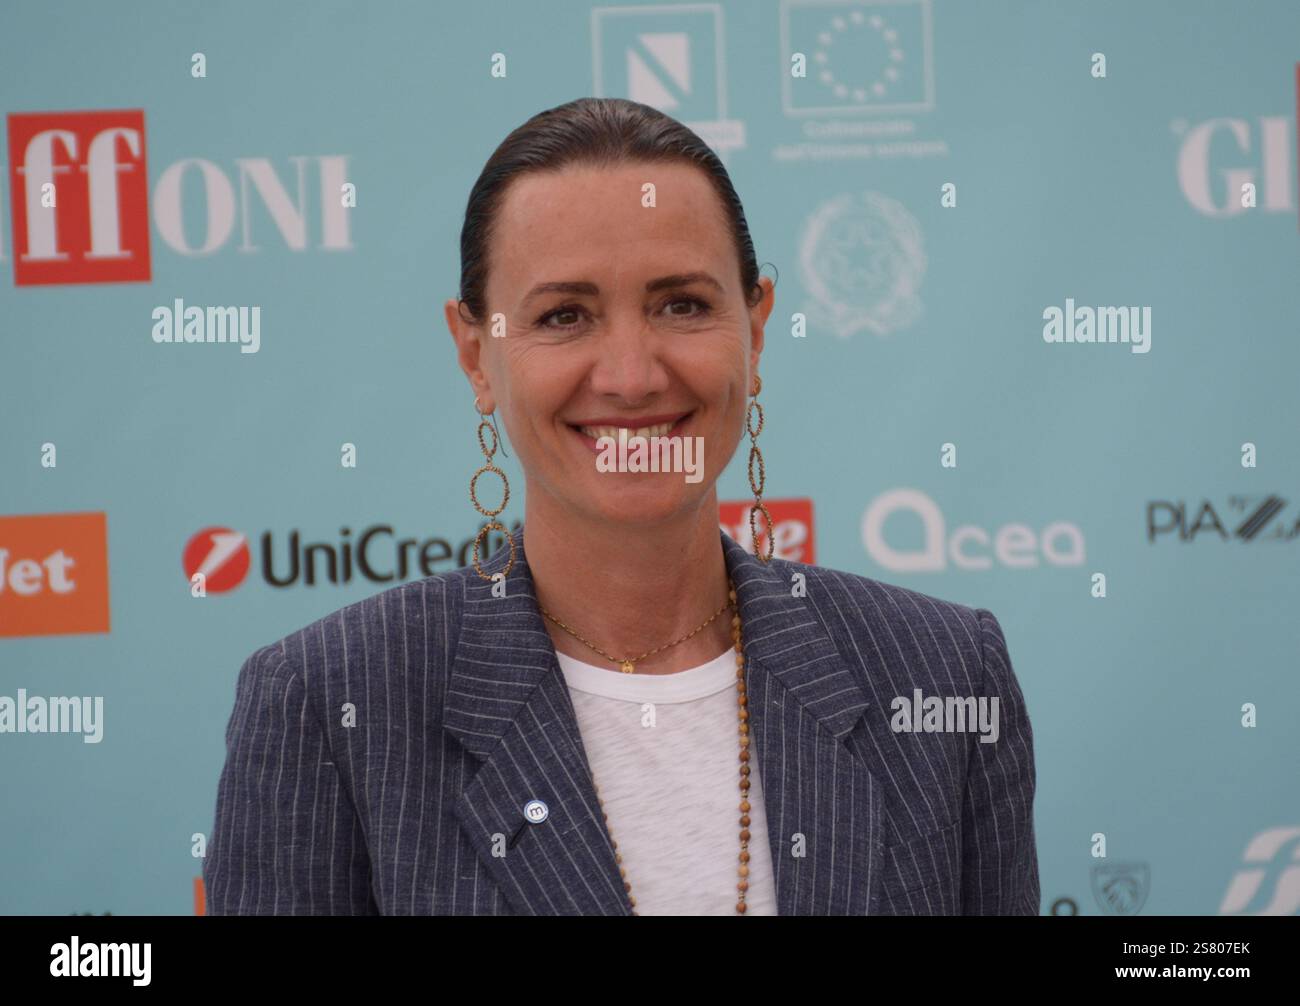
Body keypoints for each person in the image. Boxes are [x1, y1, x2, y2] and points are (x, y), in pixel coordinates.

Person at [203, 96, 1039, 916]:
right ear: (475, 355)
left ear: (756, 329)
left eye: (682, 305)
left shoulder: (942, 672)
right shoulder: (331, 703)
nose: (632, 376)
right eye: (564, 316)